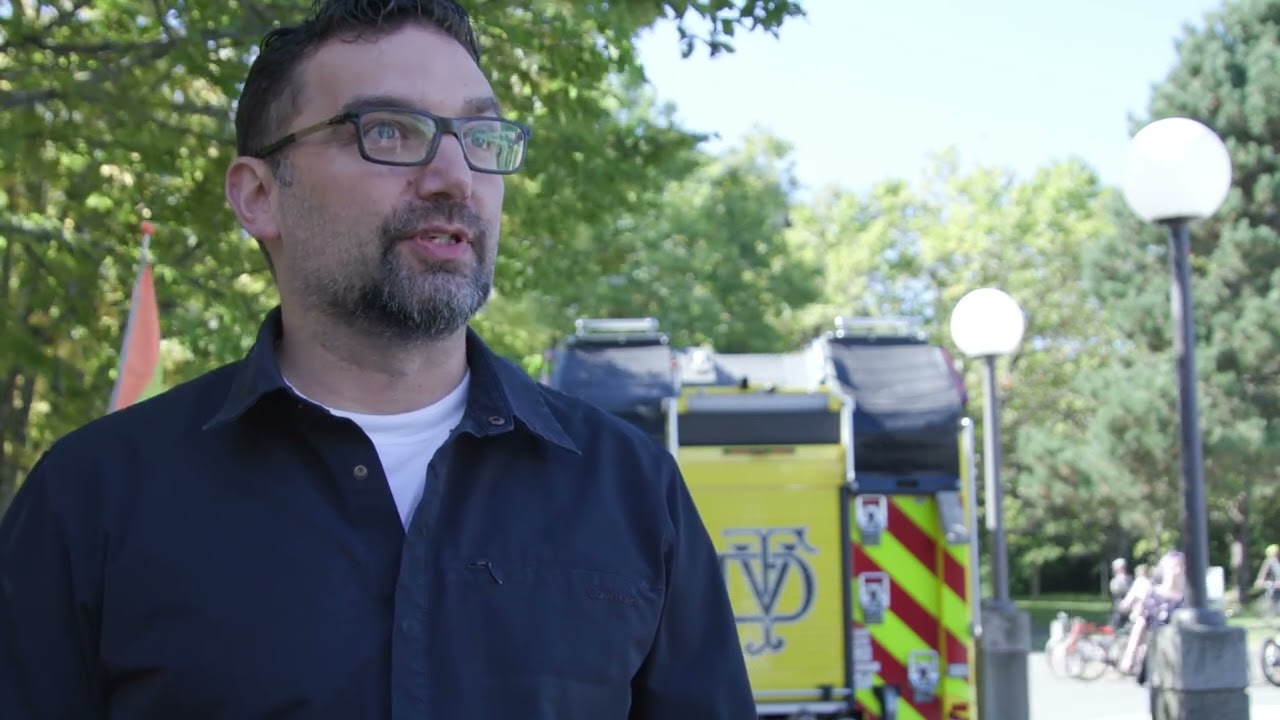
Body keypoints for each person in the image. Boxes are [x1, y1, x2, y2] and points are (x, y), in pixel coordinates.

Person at [0, 1, 755, 718]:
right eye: (389, 131)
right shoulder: (93, 499)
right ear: (259, 196)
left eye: (480, 138)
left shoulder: (630, 491)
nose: (455, 178)